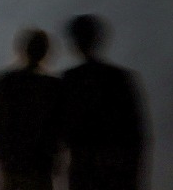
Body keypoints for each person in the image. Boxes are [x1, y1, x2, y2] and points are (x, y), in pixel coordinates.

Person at [0, 29, 63, 190]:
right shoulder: (53, 87)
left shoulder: (5, 82)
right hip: (40, 168)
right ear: (46, 52)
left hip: (9, 167)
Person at [61, 15, 148, 190]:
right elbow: (136, 132)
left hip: (84, 169)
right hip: (118, 170)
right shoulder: (120, 78)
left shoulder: (69, 80)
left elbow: (62, 128)